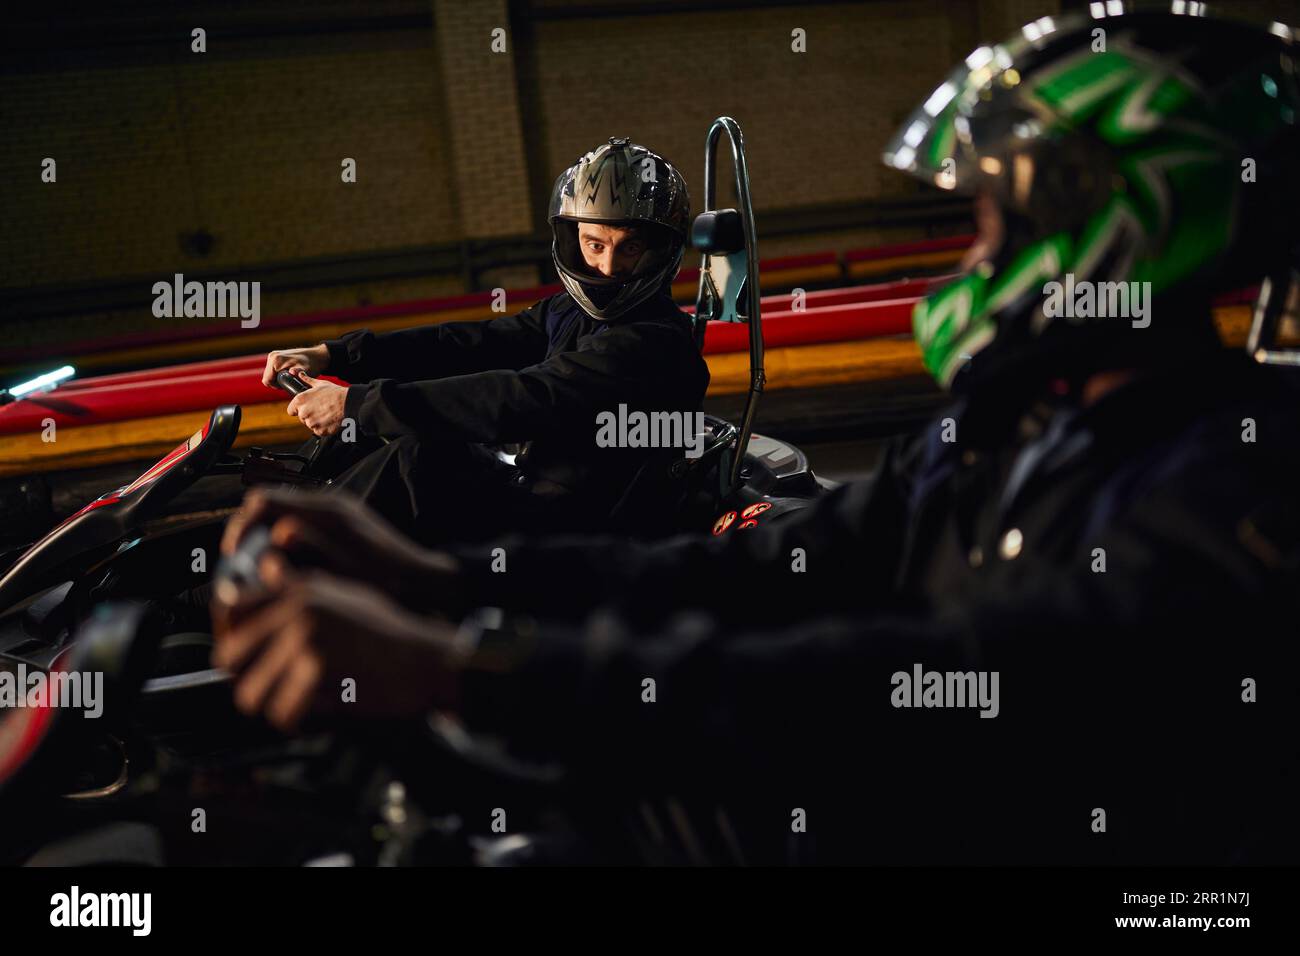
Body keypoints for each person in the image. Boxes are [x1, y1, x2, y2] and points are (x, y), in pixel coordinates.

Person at [215, 12, 1300, 863]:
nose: (967, 265)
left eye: (983, 226)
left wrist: (475, 668)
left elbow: (905, 677)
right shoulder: (1006, 430)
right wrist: (438, 582)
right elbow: (773, 570)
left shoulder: (1234, 478)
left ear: (1112, 226)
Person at [261, 138, 708, 543]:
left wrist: (358, 404)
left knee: (417, 461)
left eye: (628, 248)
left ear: (659, 250)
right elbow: (476, 343)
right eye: (594, 245)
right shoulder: (572, 311)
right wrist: (336, 354)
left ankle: (273, 571)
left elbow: (521, 399)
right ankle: (271, 538)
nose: (608, 268)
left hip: (576, 530)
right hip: (535, 491)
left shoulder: (655, 342)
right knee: (358, 441)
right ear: (573, 240)